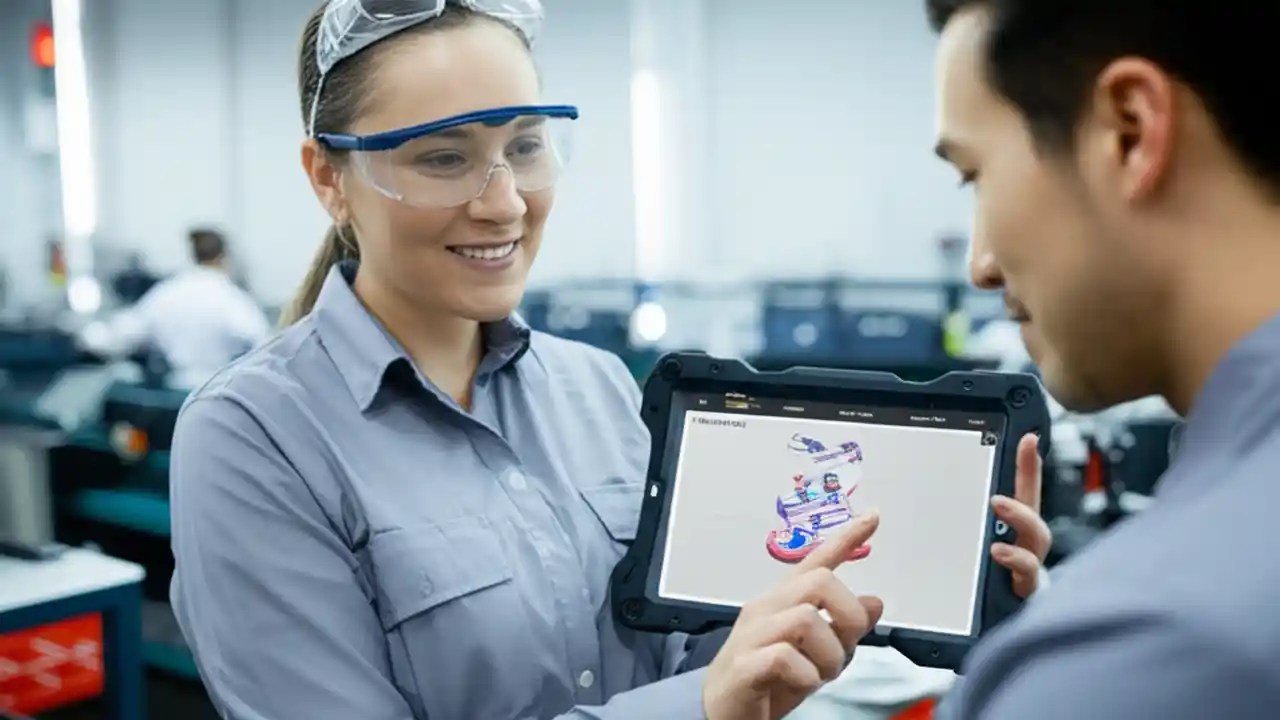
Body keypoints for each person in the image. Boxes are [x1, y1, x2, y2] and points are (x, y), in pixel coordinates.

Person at [167, 2, 1049, 719]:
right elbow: (701, 694)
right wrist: (704, 704)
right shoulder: (253, 439)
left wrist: (918, 572)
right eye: (443, 158)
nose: (505, 203)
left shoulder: (594, 388)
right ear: (328, 178)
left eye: (524, 146)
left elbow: (701, 649)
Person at [876, 1, 1280, 717]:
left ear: (1128, 131)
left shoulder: (1144, 650)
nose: (981, 265)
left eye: (975, 175)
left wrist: (1033, 677)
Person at [79, 228, 270, 388]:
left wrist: (87, 336)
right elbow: (264, 345)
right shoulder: (232, 299)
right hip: (217, 394)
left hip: (173, 397)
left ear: (192, 254)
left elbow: (119, 336)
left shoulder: (168, 293)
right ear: (224, 257)